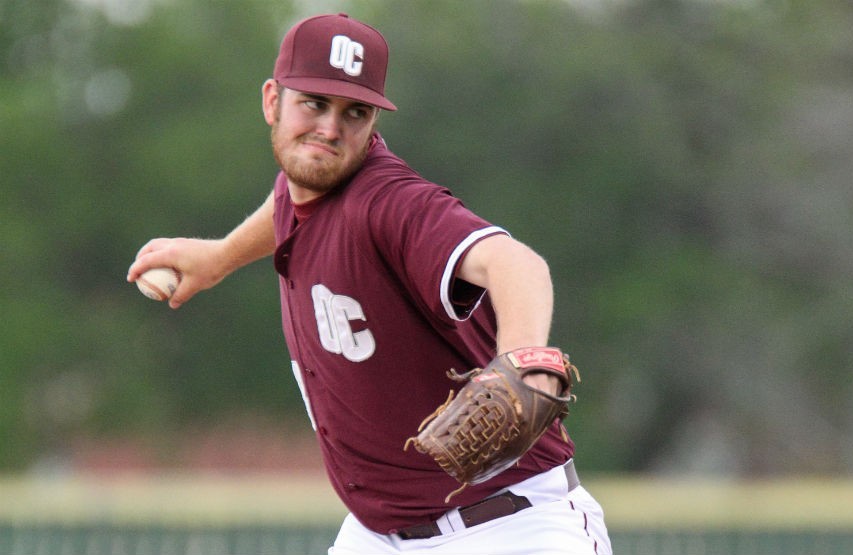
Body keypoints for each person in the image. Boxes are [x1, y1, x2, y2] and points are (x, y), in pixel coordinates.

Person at [127, 13, 612, 555]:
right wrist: (220, 257)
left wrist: (527, 363)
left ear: (373, 124)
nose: (330, 130)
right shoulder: (309, 180)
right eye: (314, 103)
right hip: (377, 536)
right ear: (272, 101)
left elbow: (518, 265)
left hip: (510, 527)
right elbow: (288, 202)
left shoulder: (387, 202)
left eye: (354, 112)